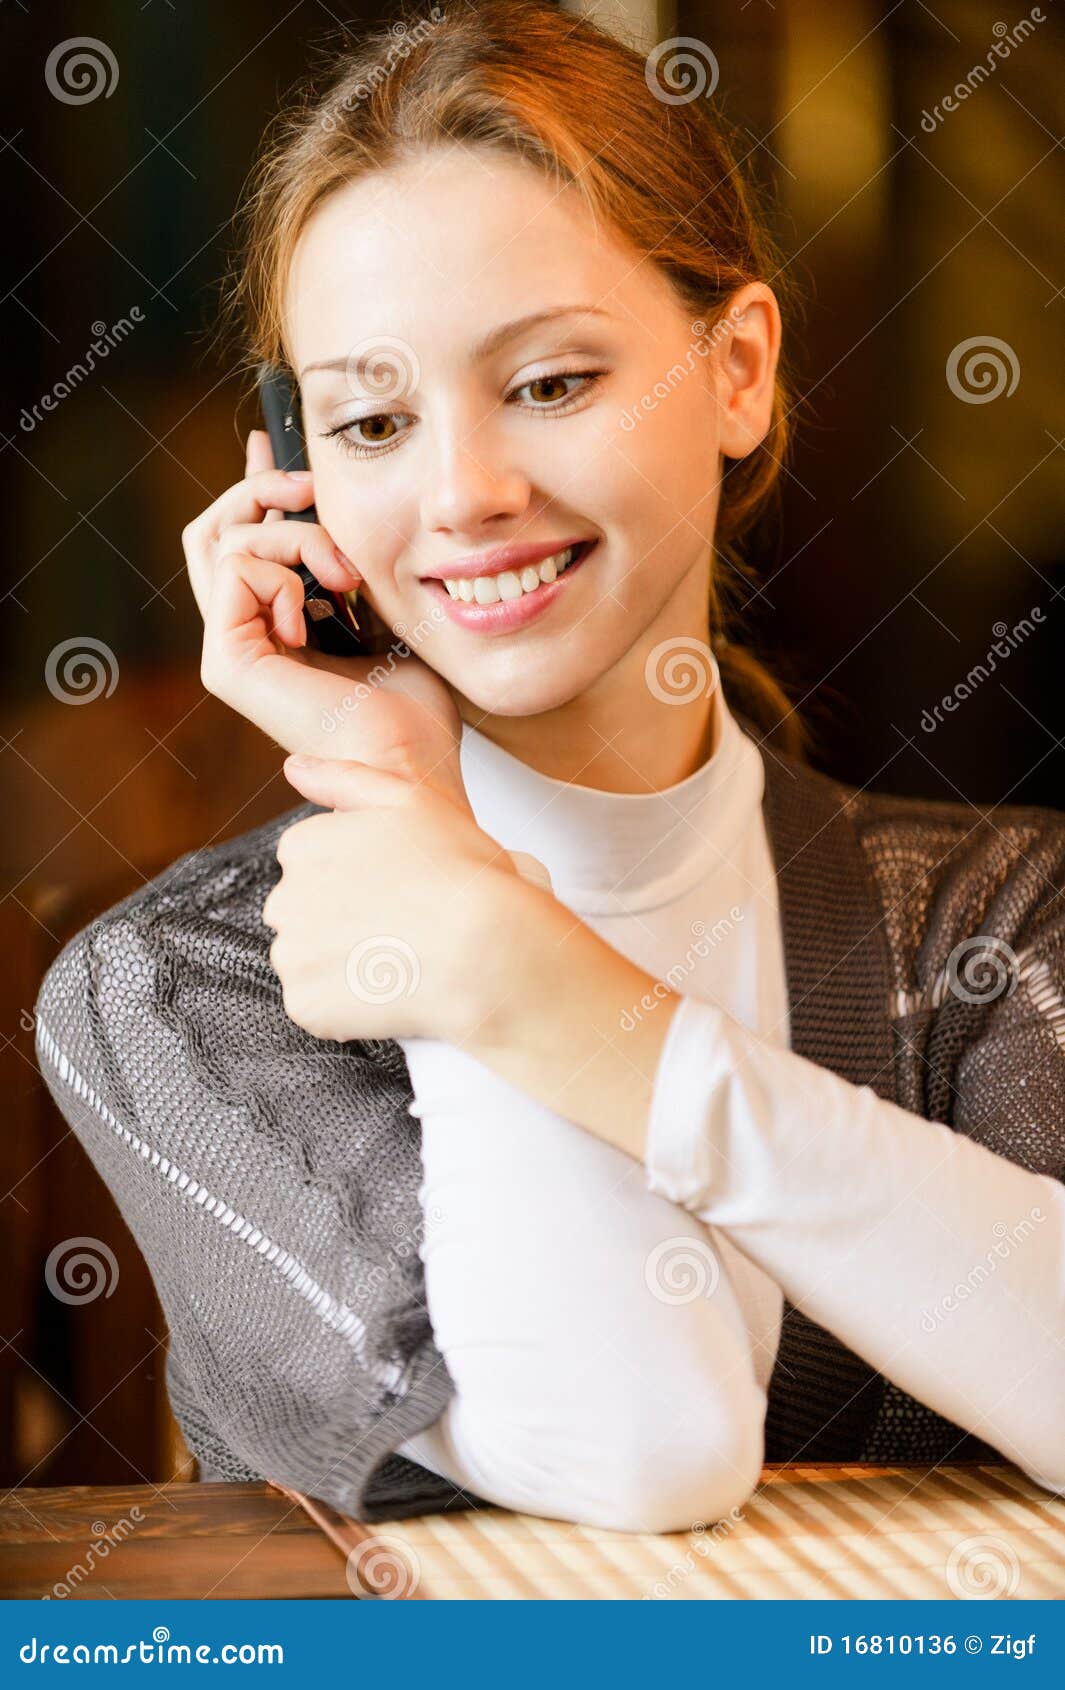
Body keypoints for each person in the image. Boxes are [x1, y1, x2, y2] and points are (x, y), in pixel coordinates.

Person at [35, 0, 1065, 1534]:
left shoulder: (994, 920)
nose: (465, 492)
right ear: (294, 479)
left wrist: (547, 987)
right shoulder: (175, 988)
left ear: (735, 371)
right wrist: (424, 847)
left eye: (552, 382)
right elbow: (639, 1448)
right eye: (373, 418)